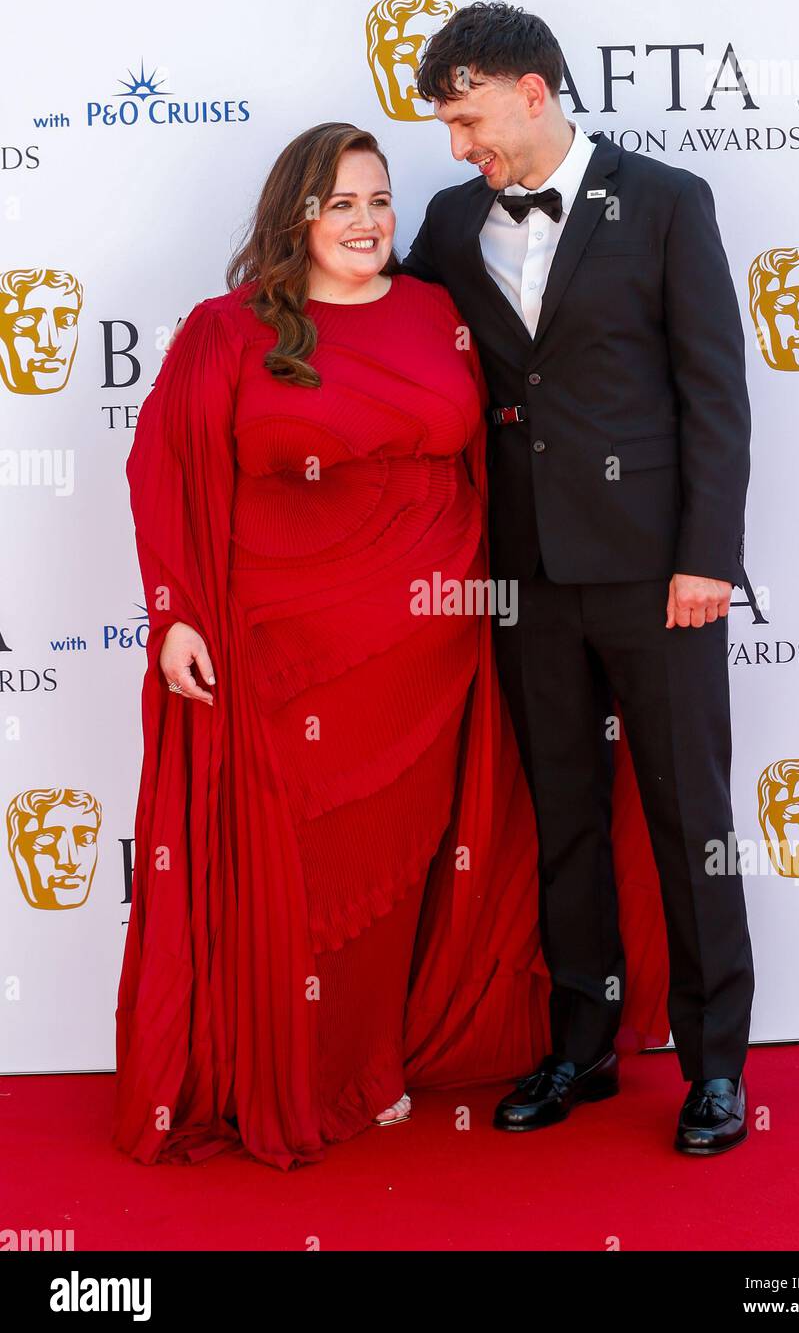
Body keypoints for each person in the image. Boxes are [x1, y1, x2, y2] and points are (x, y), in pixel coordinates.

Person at [113, 121, 670, 1171]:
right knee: (300, 868)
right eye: (339, 204)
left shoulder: (437, 313)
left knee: (393, 868)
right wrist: (174, 609)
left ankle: (370, 1061)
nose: (366, 222)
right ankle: (292, 1071)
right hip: (284, 643)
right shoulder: (225, 330)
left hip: (428, 640)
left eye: (377, 200)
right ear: (296, 218)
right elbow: (164, 470)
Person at [401, 1, 758, 1154]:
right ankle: (582, 1050)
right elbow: (395, 342)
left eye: (466, 118)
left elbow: (715, 395)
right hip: (526, 579)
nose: (458, 148)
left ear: (531, 90)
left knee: (689, 819)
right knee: (562, 821)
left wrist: (707, 558)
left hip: (661, 576)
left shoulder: (665, 202)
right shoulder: (453, 226)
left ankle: (714, 1069)